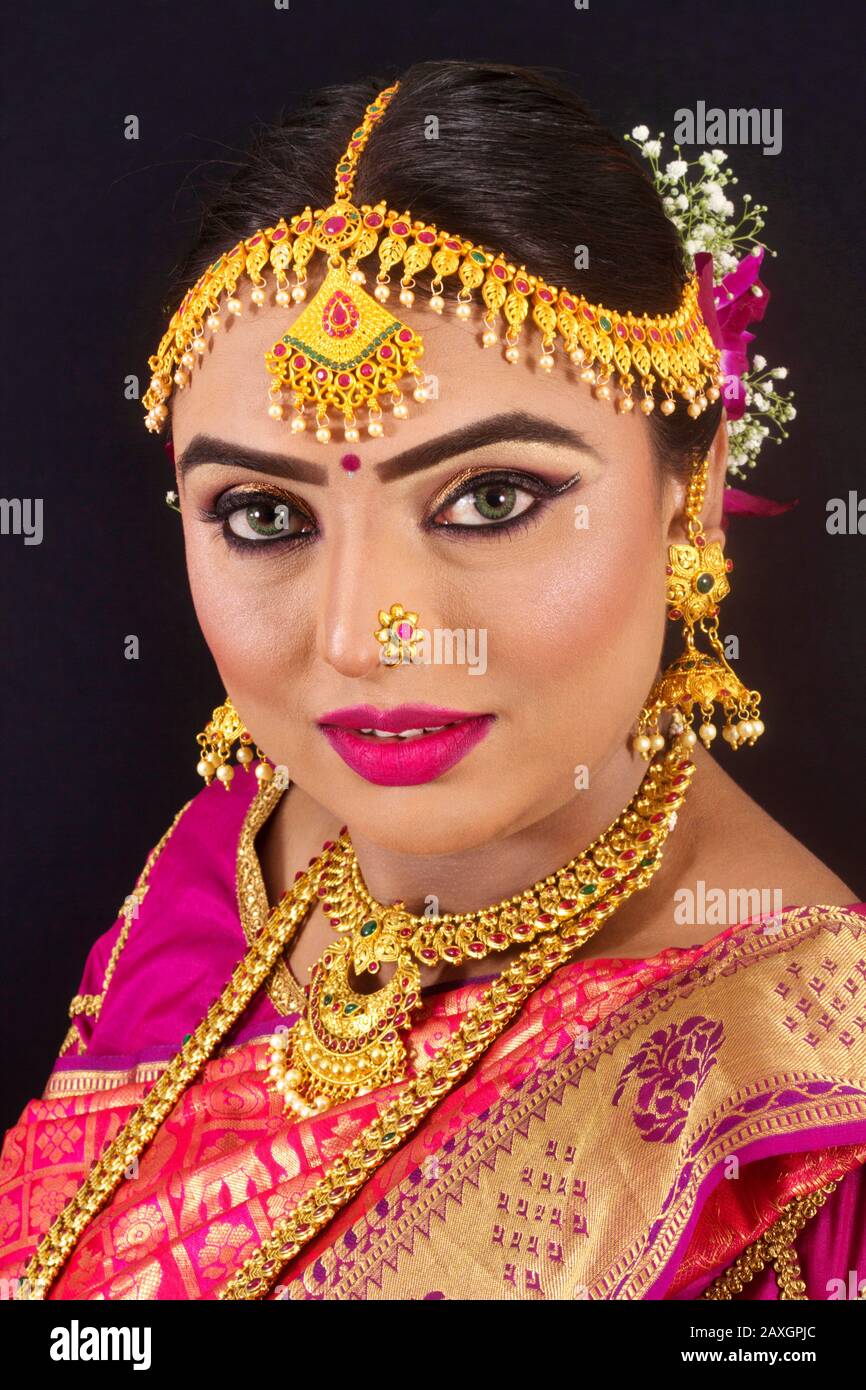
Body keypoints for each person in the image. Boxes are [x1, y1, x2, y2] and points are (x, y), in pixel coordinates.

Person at [2, 62, 864, 1302]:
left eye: (491, 499)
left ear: (690, 485)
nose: (359, 637)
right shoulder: (224, 862)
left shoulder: (801, 1114)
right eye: (260, 512)